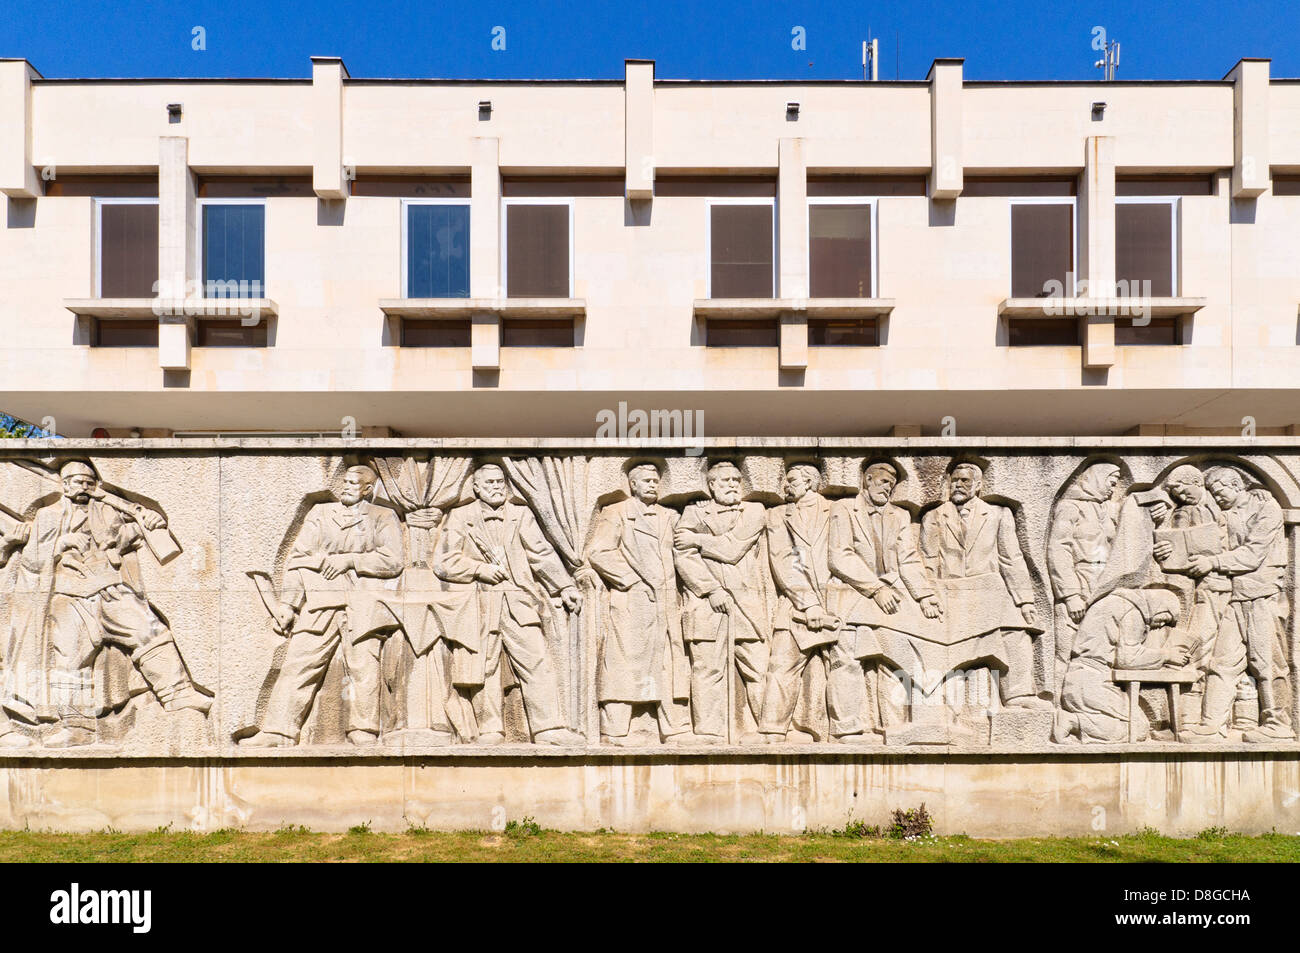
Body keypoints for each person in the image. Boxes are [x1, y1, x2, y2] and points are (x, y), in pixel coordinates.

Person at [4, 460, 210, 748]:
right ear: (64, 485)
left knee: (149, 631)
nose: (84, 488)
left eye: (89, 482)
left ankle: (179, 694)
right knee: (71, 660)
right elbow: (32, 560)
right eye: (77, 482)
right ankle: (77, 727)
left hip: (109, 587)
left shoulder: (108, 511)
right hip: (67, 596)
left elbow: (127, 538)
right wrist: (61, 544)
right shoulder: (48, 516)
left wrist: (149, 521)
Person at [241, 465, 404, 747]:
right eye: (344, 482)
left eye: (354, 483)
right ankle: (279, 731)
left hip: (362, 602)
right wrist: (290, 604)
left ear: (368, 489)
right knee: (299, 663)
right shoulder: (321, 514)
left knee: (364, 665)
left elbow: (392, 560)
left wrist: (349, 560)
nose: (346, 487)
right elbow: (299, 558)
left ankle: (364, 731)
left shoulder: (382, 516)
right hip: (320, 600)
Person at [432, 464, 584, 745]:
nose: (496, 486)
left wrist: (564, 585)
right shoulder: (461, 516)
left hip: (517, 598)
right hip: (478, 601)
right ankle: (490, 729)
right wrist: (478, 569)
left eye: (500, 481)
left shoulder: (519, 514)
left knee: (536, 659)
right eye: (489, 482)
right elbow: (443, 562)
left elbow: (541, 553)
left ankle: (548, 727)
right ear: (476, 487)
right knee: (485, 666)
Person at [826, 461, 942, 740]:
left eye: (891, 484)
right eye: (881, 481)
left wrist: (924, 596)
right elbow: (839, 555)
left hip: (891, 595)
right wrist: (876, 589)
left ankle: (893, 728)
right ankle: (848, 729)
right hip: (853, 592)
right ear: (866, 480)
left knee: (894, 659)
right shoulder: (844, 508)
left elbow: (908, 559)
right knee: (848, 660)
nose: (887, 487)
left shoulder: (899, 516)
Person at [920, 462, 1047, 709]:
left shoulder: (998, 513)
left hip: (990, 590)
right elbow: (927, 559)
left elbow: (1011, 558)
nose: (957, 485)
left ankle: (1019, 695)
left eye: (965, 481)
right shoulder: (934, 516)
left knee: (1016, 632)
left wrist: (1025, 601)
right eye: (954, 480)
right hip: (950, 590)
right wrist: (928, 595)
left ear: (978, 486)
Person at [1185, 467, 1292, 741]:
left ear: (1235, 484)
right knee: (1222, 662)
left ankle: (1278, 725)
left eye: (1220, 492)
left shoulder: (1266, 508)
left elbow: (1253, 554)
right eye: (1214, 495)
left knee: (1267, 662)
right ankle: (1212, 725)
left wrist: (1214, 562)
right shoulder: (1224, 514)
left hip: (1262, 596)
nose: (1217, 498)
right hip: (1237, 596)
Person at [586, 463, 691, 745]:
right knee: (625, 662)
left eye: (656, 481)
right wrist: (631, 581)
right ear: (632, 485)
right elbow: (599, 552)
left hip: (667, 601)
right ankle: (615, 730)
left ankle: (676, 728)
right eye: (646, 480)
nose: (652, 485)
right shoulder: (616, 513)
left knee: (670, 662)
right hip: (633, 601)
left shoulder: (671, 516)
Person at [673, 461, 770, 743]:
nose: (731, 485)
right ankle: (708, 732)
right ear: (711, 485)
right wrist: (711, 589)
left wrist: (698, 539)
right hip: (707, 604)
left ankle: (768, 730)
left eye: (736, 480)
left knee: (759, 668)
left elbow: (732, 548)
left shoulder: (754, 511)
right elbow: (683, 556)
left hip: (746, 602)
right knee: (707, 669)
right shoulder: (693, 511)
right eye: (724, 480)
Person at [1055, 588, 1187, 743]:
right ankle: (1073, 721)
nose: (1161, 624)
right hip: (1091, 683)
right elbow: (1128, 658)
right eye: (1165, 618)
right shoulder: (1131, 610)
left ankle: (1075, 721)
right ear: (1159, 605)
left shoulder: (1116, 602)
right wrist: (1167, 655)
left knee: (1135, 726)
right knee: (1138, 729)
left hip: (1083, 680)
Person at [1047, 463, 1121, 696]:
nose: (1113, 488)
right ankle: (1061, 706)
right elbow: (1058, 549)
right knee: (1068, 649)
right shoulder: (1070, 507)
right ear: (1098, 478)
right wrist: (1070, 595)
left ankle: (1093, 703)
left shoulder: (1111, 509)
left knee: (1104, 649)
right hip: (1079, 580)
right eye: (1111, 481)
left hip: (1107, 582)